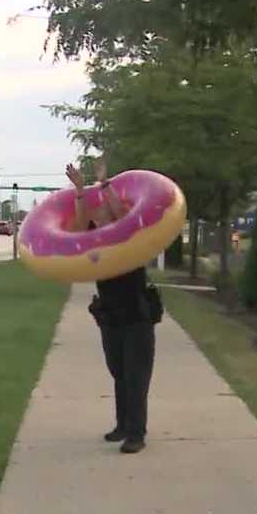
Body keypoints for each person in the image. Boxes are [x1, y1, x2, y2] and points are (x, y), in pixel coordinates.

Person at [67, 158, 158, 454]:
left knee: (136, 375)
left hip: (137, 313)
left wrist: (104, 184)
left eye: (103, 211)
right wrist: (80, 191)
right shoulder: (95, 243)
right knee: (118, 371)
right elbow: (80, 226)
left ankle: (136, 433)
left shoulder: (129, 236)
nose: (99, 216)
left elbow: (121, 214)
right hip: (110, 314)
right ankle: (122, 425)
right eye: (97, 214)